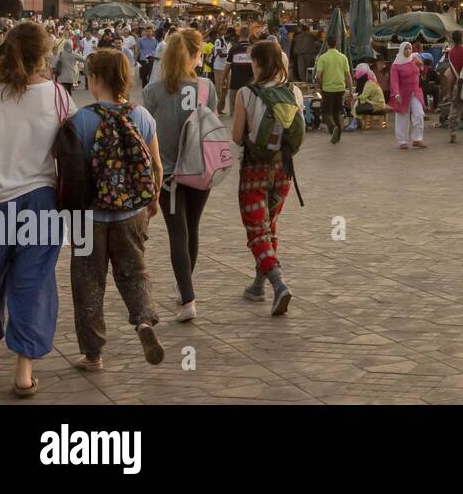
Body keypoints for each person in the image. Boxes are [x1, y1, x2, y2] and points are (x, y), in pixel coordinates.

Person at [0, 22, 78, 396]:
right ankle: (23, 374)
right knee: (33, 284)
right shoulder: (58, 96)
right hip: (41, 203)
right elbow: (71, 150)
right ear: (45, 55)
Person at [66, 49, 166, 370]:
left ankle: (93, 354)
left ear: (93, 80)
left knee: (87, 281)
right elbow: (156, 168)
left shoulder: (79, 121)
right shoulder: (142, 117)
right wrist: (152, 199)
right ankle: (143, 322)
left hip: (87, 216)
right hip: (131, 212)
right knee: (134, 270)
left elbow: (70, 174)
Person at [143, 28, 217, 324]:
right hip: (200, 171)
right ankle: (183, 287)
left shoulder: (153, 92)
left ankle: (187, 298)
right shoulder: (207, 87)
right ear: (196, 55)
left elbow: (147, 135)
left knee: (178, 232)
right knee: (193, 228)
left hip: (169, 174)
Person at [230, 39, 299, 316]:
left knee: (257, 230)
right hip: (284, 169)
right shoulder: (293, 91)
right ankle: (258, 284)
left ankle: (277, 282)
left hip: (254, 168)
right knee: (269, 225)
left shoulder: (246, 93)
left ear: (257, 63)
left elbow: (236, 137)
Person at [313, 40, 353, 145]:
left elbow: (318, 76)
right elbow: (348, 75)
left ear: (327, 45)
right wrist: (351, 90)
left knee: (326, 113)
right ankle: (337, 137)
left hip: (328, 89)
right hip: (340, 89)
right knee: (336, 113)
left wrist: (320, 86)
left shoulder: (323, 58)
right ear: (337, 45)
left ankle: (333, 128)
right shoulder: (343, 57)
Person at [389, 43, 427, 149]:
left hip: (416, 91)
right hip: (402, 93)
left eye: (409, 49)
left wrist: (421, 67)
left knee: (419, 114)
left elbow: (421, 66)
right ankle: (402, 141)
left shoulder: (414, 59)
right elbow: (394, 81)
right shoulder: (396, 65)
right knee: (402, 116)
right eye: (405, 49)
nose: (408, 51)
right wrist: (396, 93)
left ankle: (417, 139)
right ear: (401, 50)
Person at [224, 31, 255, 118]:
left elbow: (227, 67)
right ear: (249, 36)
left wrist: (224, 79)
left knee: (233, 111)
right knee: (249, 111)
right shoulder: (253, 49)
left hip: (235, 84)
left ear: (239, 36)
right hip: (251, 85)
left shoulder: (234, 49)